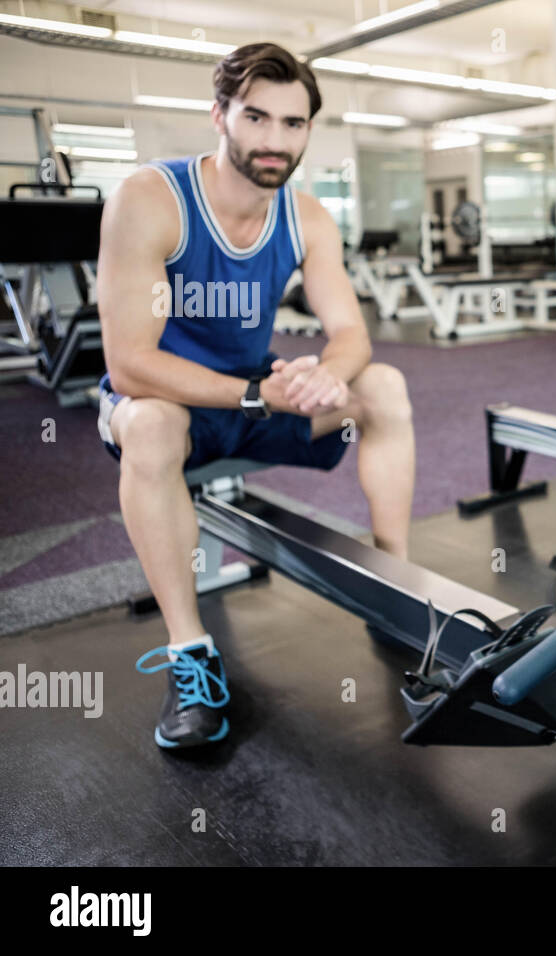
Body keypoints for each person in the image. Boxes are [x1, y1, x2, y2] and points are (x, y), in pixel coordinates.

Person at [96, 43, 415, 749]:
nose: (275, 140)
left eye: (294, 124)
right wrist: (257, 393)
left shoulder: (307, 216)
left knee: (383, 386)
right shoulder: (150, 198)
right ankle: (191, 656)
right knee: (148, 425)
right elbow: (129, 366)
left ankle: (394, 586)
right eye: (257, 118)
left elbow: (351, 333)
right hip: (175, 407)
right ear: (219, 116)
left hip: (256, 396)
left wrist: (329, 375)